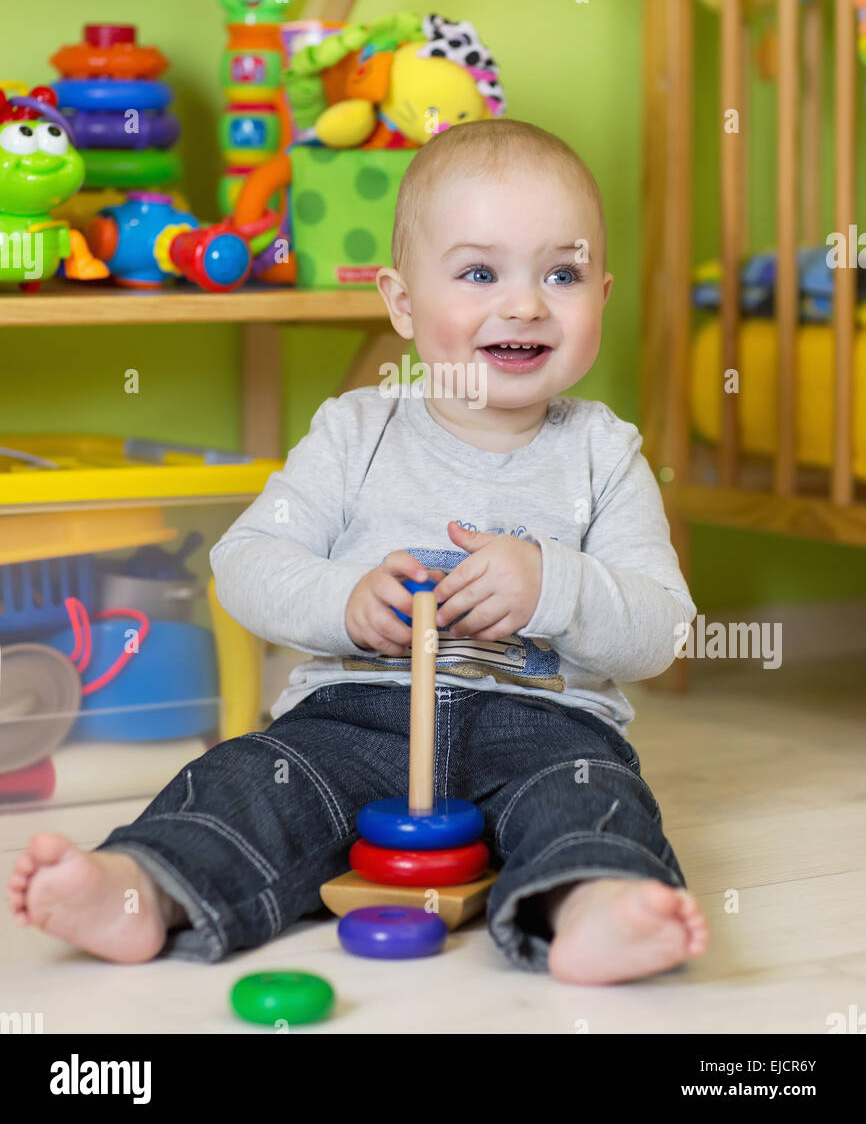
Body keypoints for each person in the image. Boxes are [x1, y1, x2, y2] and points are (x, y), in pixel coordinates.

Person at [8, 118, 709, 983]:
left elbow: (661, 629)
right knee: (251, 776)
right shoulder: (354, 430)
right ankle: (141, 886)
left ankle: (597, 903)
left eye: (560, 274)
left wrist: (554, 585)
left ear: (600, 294)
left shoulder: (606, 452)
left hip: (548, 727)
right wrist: (342, 599)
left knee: (592, 799)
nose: (525, 304)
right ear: (404, 303)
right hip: (353, 714)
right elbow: (246, 562)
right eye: (480, 272)